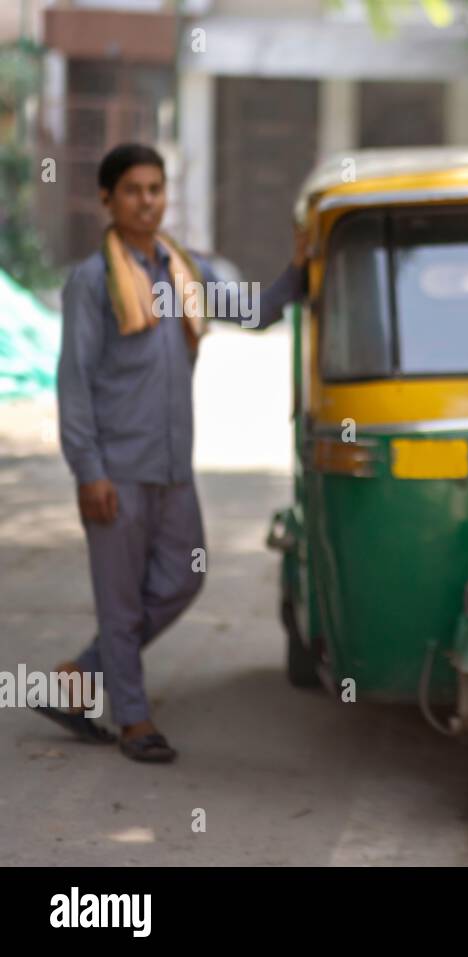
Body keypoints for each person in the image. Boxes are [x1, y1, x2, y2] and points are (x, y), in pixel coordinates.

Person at [35, 142, 305, 762]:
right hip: (116, 473)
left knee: (186, 578)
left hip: (173, 469)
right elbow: (74, 383)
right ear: (108, 199)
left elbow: (256, 312)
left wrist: (296, 271)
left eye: (155, 189)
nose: (147, 201)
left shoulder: (186, 269)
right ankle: (134, 721)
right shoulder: (91, 281)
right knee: (121, 599)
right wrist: (88, 471)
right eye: (133, 190)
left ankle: (76, 679)